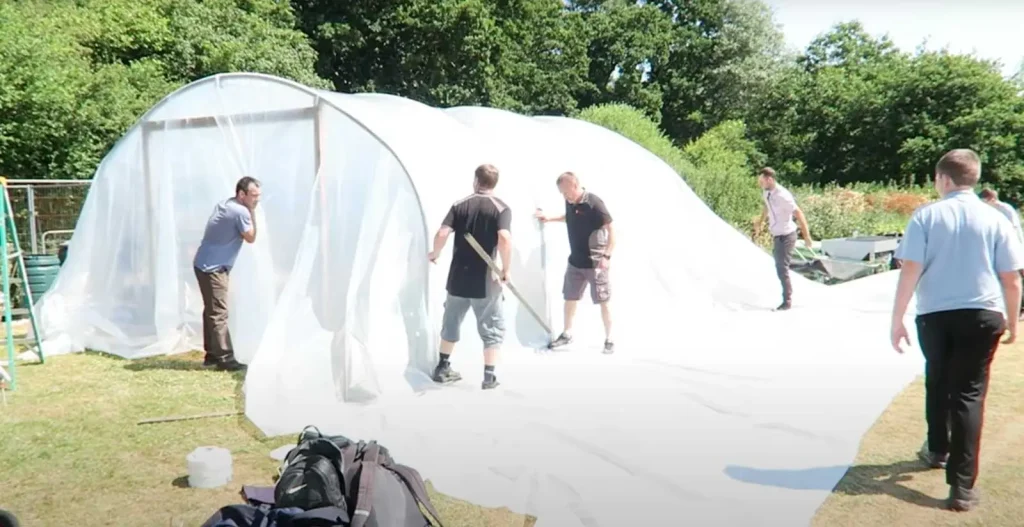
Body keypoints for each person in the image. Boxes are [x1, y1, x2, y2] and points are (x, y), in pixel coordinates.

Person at [890, 148, 1024, 512]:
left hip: (935, 313)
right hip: (983, 312)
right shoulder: (997, 218)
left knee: (938, 377)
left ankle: (937, 448)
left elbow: (910, 269)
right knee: (969, 394)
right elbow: (1011, 278)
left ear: (944, 179)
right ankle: (962, 487)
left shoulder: (926, 216)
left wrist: (897, 317)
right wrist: (1013, 321)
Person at [427, 164, 512, 390]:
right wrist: (506, 269)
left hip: (457, 278)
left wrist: (434, 254)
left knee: (451, 320)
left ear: (476, 180)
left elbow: (442, 233)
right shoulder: (501, 208)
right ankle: (489, 376)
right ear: (495, 183)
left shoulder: (459, 205)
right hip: (485, 279)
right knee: (491, 326)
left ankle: (442, 366)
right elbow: (504, 238)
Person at [534, 172, 615, 353]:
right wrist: (549, 218)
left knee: (603, 300)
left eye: (565, 191)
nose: (564, 196)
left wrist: (607, 256)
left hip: (595, 262)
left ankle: (609, 338)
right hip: (575, 261)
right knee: (570, 297)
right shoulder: (570, 202)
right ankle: (567, 333)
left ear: (574, 185)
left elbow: (612, 230)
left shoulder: (594, 203)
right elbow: (569, 217)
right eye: (562, 193)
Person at [192, 176, 260, 372]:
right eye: (254, 196)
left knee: (211, 310)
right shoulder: (241, 212)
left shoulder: (225, 204)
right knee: (219, 313)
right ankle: (225, 358)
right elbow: (251, 237)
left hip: (202, 264)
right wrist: (252, 213)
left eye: (258, 196)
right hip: (214, 269)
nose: (256, 200)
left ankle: (212, 354)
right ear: (241, 194)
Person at [753, 167, 813, 311]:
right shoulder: (766, 192)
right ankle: (814, 265)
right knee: (781, 264)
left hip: (787, 235)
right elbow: (767, 207)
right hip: (777, 234)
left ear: (770, 179)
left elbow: (799, 213)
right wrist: (760, 223)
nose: (760, 184)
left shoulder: (783, 195)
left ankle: (787, 301)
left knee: (781, 268)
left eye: (762, 181)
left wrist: (807, 237)